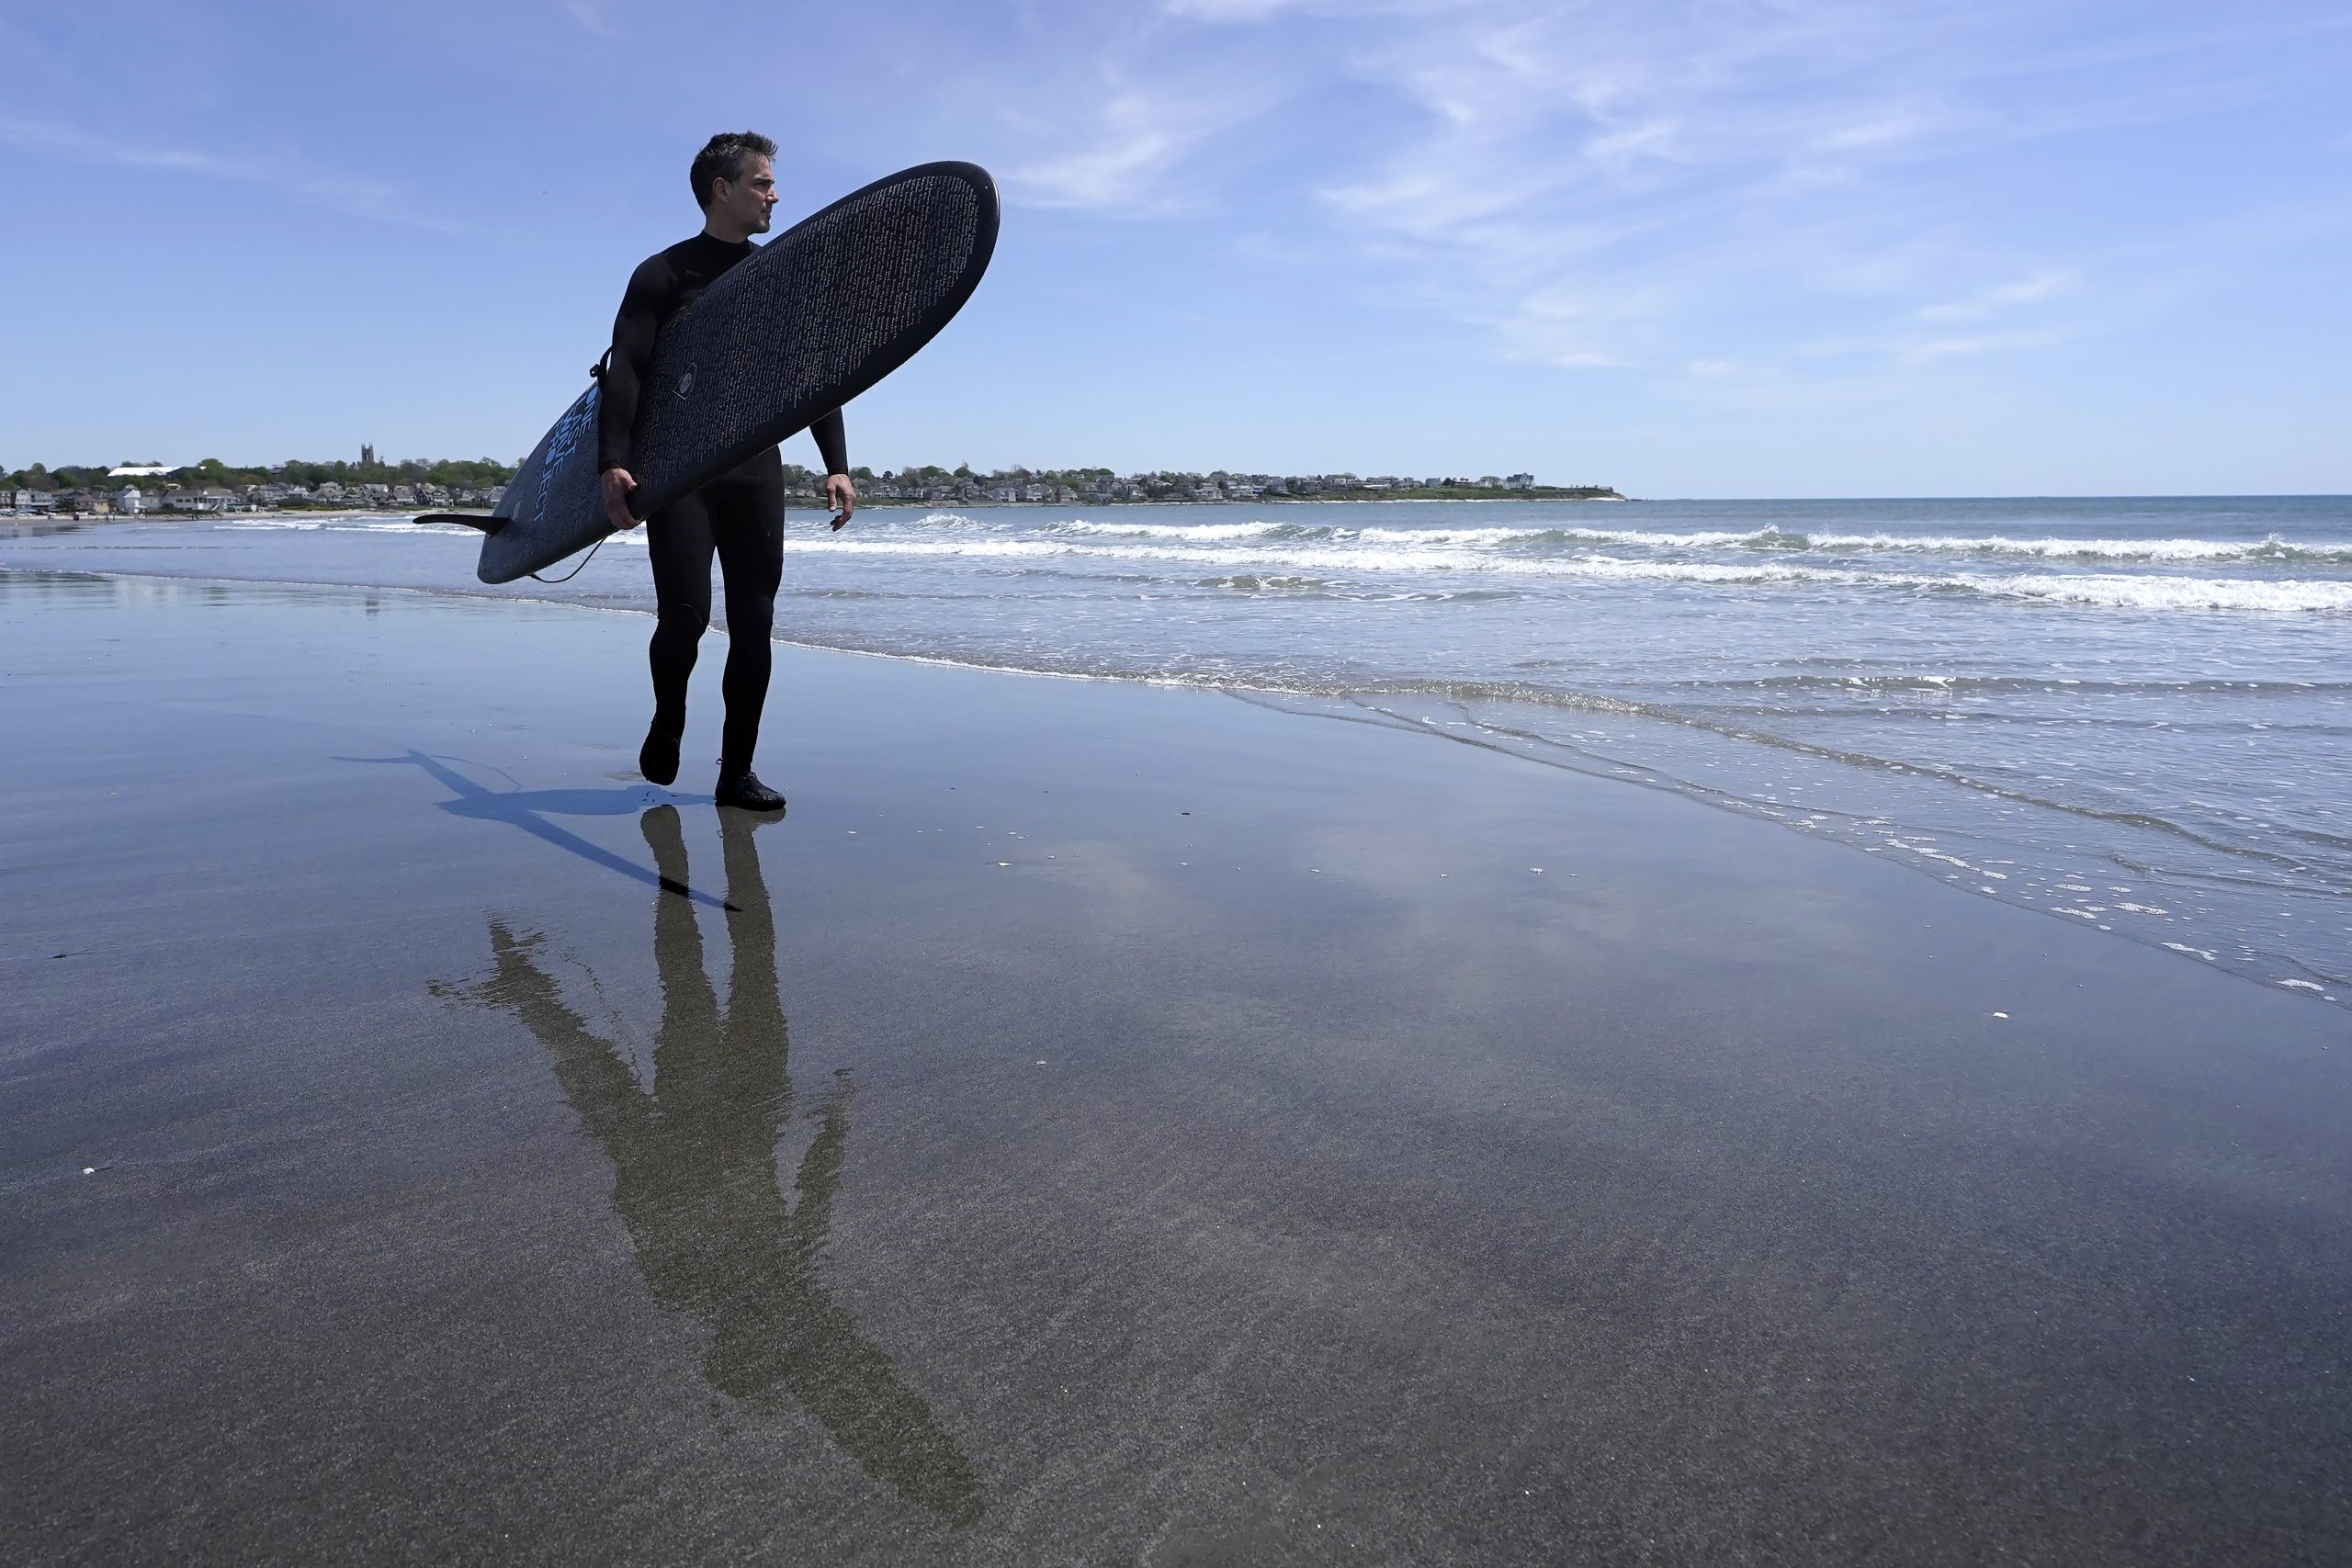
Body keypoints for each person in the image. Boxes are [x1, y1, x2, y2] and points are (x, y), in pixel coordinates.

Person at [596, 130, 857, 813]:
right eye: (762, 182)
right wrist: (613, 461)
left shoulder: (774, 277)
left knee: (754, 621)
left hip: (754, 472)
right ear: (723, 188)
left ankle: (736, 773)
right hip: (680, 473)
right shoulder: (663, 273)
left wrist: (837, 464)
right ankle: (668, 716)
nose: (775, 195)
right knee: (685, 617)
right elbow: (625, 370)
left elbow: (810, 376)